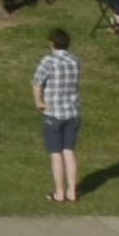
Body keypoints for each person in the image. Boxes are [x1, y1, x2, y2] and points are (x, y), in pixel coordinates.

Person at [38, 29, 86, 205]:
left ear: (52, 43)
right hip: (73, 112)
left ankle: (59, 193)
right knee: (69, 152)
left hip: (54, 113)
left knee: (56, 154)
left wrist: (39, 101)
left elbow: (37, 82)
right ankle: (72, 191)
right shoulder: (75, 60)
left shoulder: (49, 61)